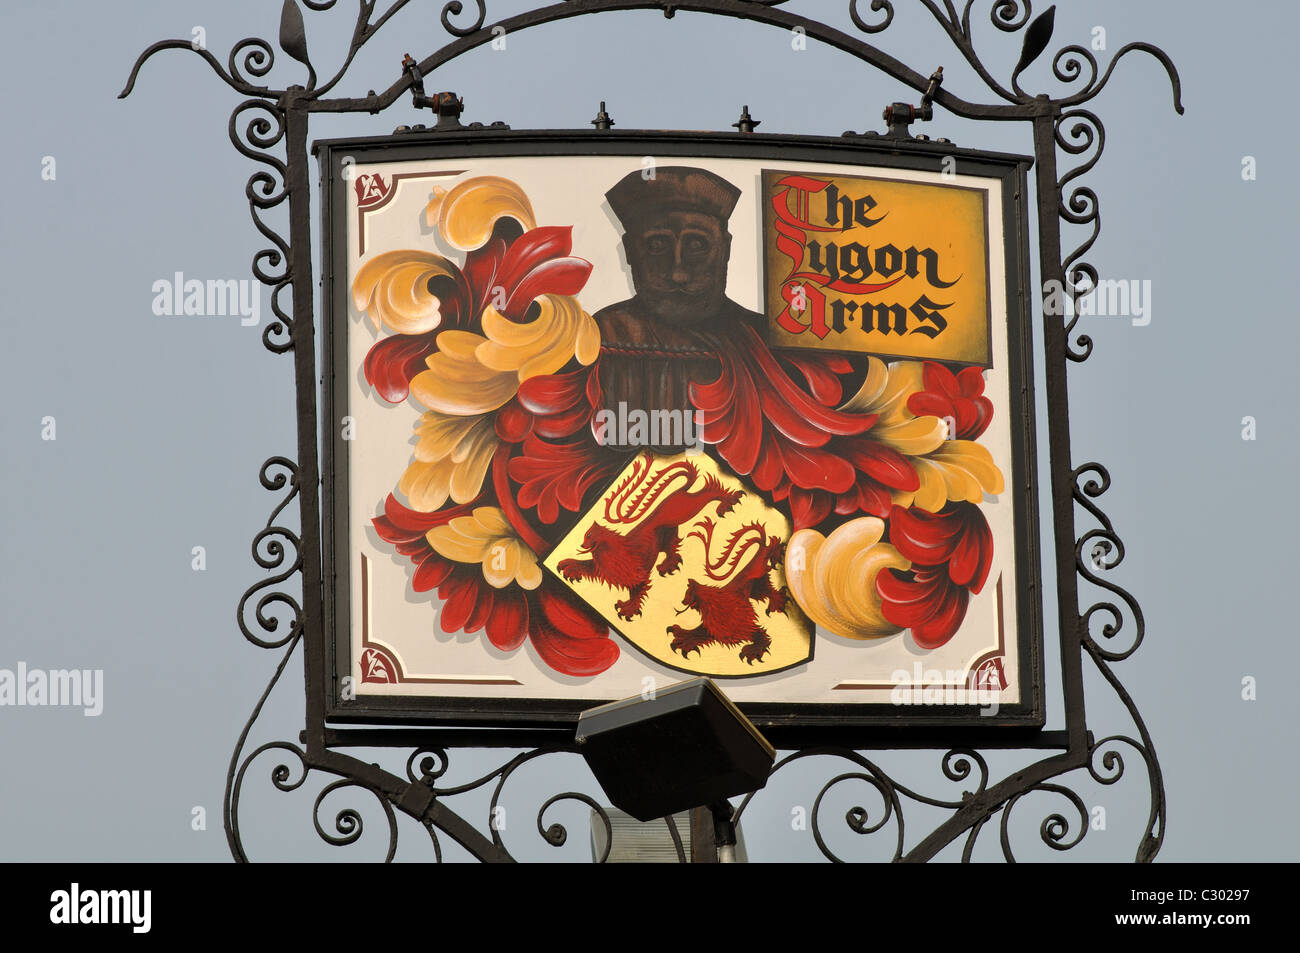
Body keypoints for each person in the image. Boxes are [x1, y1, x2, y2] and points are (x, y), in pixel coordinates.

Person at [594, 167, 765, 444]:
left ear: (726, 248)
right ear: (629, 250)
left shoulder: (762, 340)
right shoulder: (599, 335)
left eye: (696, 244)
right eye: (657, 245)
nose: (678, 273)